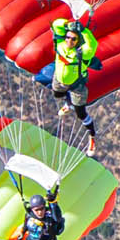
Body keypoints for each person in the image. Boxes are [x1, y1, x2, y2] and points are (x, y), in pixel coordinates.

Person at [49, 17, 99, 155]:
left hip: (77, 85)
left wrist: (83, 30)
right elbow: (55, 25)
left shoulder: (83, 53)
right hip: (59, 81)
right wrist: (67, 24)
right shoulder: (60, 45)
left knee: (80, 113)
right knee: (57, 94)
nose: (69, 40)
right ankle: (68, 103)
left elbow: (92, 44)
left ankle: (92, 136)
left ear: (78, 42)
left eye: (73, 39)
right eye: (68, 37)